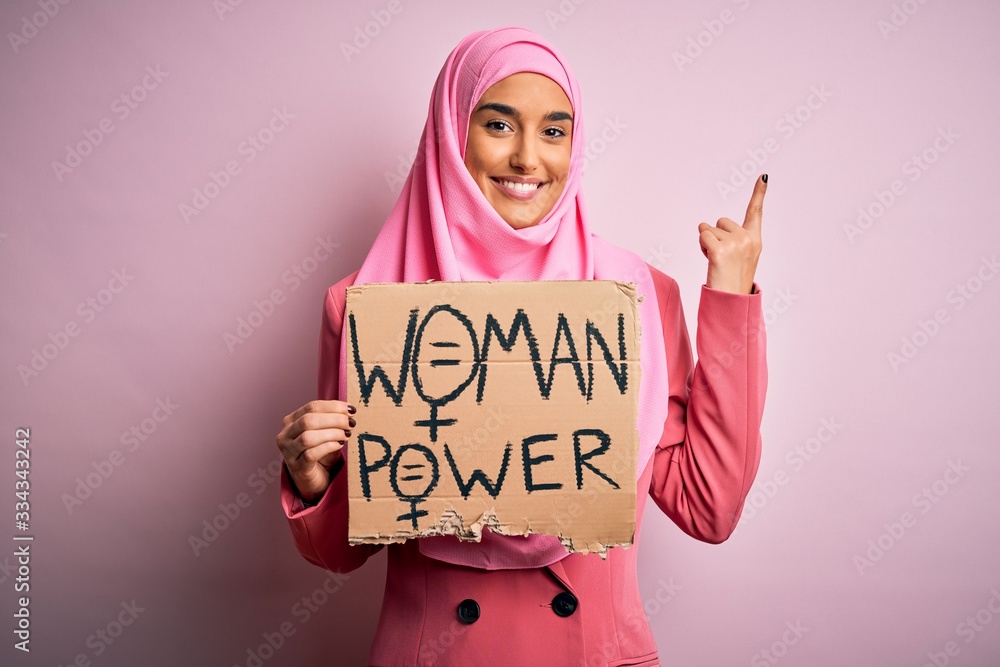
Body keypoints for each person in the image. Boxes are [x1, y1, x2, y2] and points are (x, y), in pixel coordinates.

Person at [275, 26, 767, 666]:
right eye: (500, 125)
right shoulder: (366, 303)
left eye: (554, 131)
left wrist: (730, 299)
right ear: (453, 133)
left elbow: (709, 506)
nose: (529, 159)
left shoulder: (638, 297)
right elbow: (342, 551)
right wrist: (315, 481)